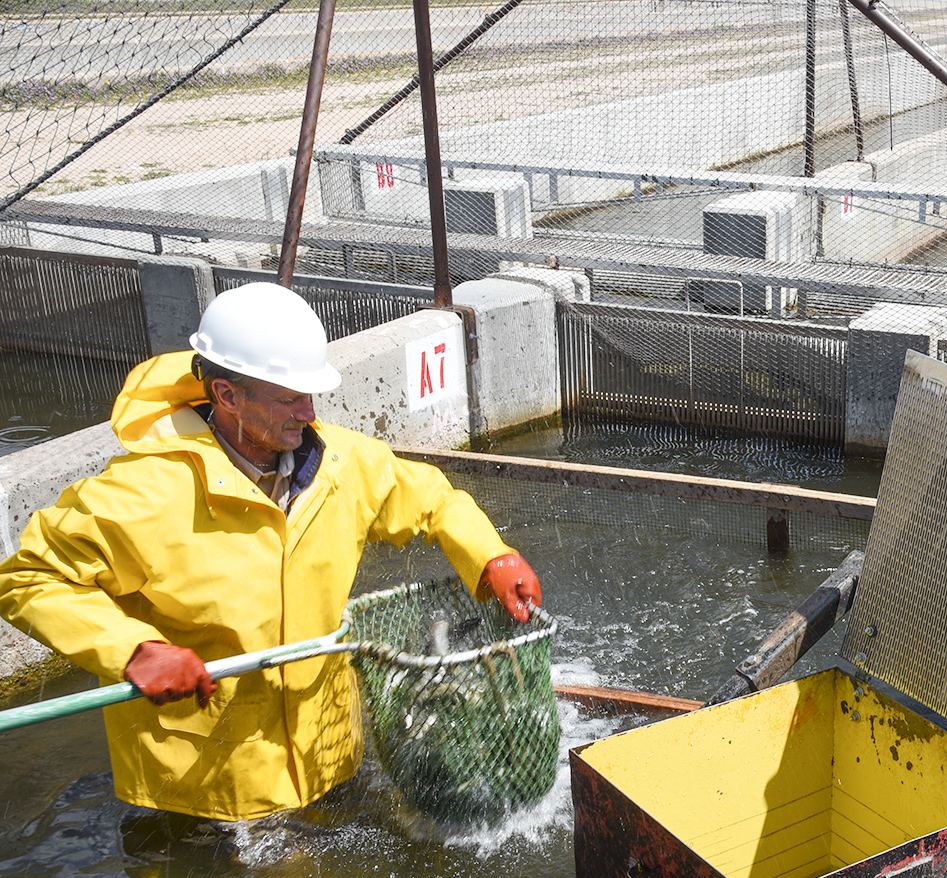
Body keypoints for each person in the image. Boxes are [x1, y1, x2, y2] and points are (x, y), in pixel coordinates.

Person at [0, 282, 542, 831]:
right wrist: (133, 649)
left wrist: (491, 556)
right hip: (205, 789)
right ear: (227, 396)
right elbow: (29, 581)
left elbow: (431, 500)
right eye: (288, 398)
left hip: (328, 755)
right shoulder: (141, 495)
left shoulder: (340, 465)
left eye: (311, 395)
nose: (308, 413)